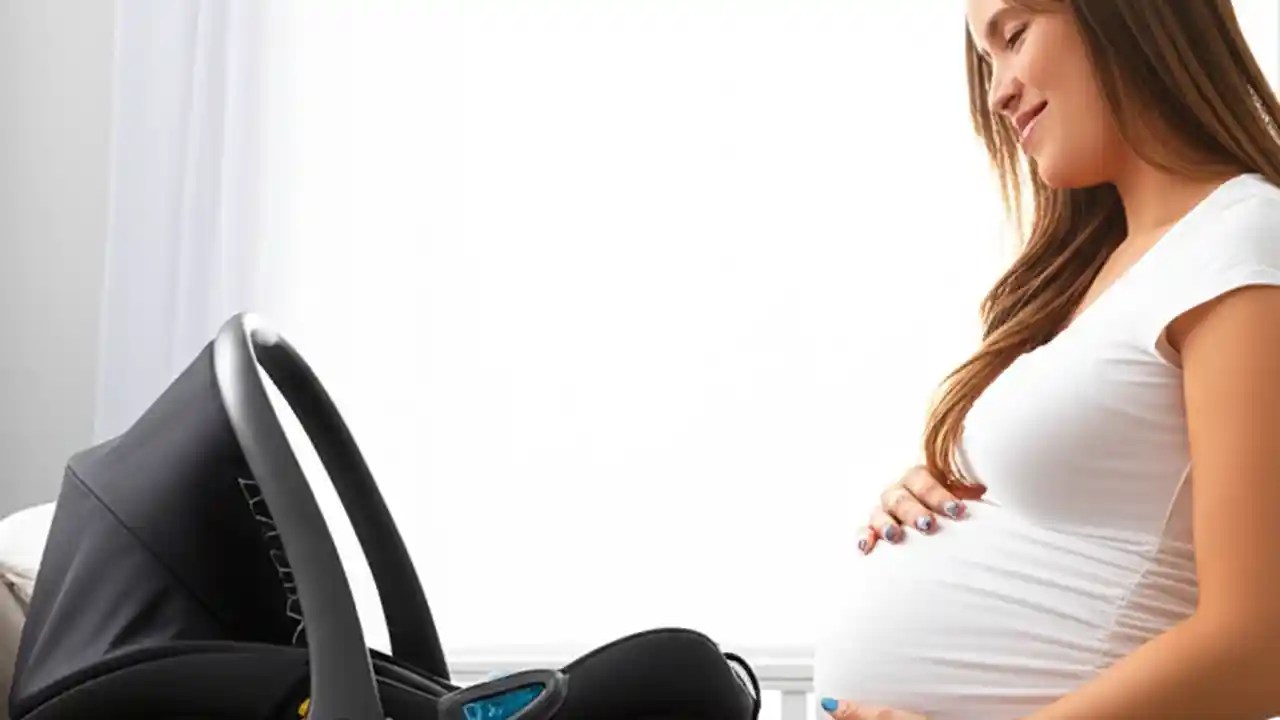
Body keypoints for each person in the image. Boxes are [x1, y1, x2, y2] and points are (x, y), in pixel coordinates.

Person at [811, 1, 1280, 718]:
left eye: (1014, 36)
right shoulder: (1103, 269)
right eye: (986, 61)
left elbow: (1259, 646)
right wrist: (950, 491)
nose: (997, 92)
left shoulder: (1245, 238)